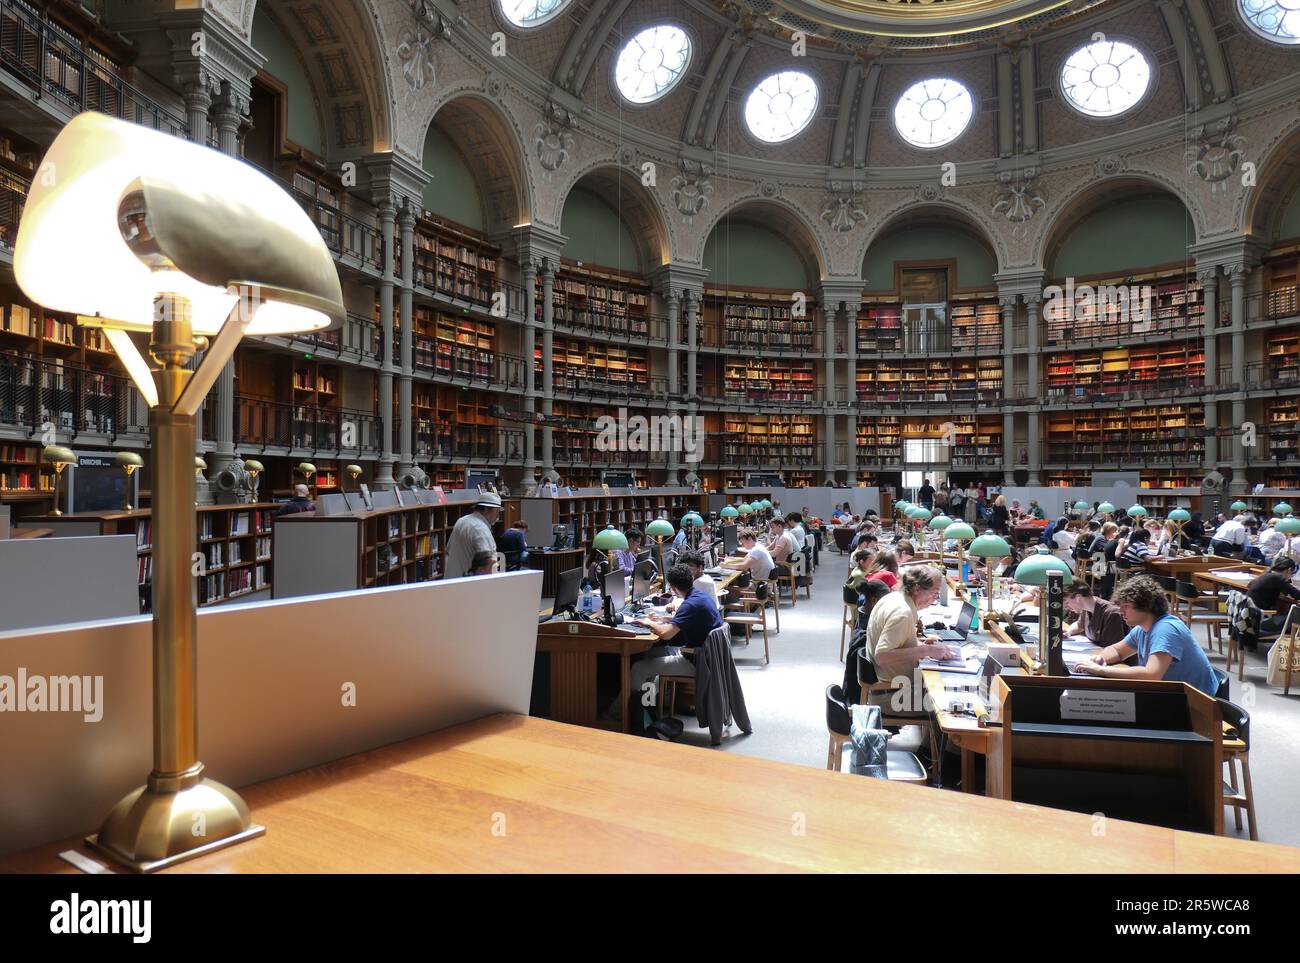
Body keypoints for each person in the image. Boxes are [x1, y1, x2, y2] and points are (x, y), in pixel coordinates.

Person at [1072, 575, 1219, 696]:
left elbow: (1151, 675)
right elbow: (1117, 651)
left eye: (1126, 606)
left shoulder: (1166, 630)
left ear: (1145, 605)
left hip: (1197, 705)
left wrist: (1102, 670)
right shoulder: (1142, 628)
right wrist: (1101, 658)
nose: (1121, 611)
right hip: (1172, 696)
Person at [629, 564, 722, 739]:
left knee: (638, 668)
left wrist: (648, 623)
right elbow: (684, 619)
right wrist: (664, 618)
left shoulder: (690, 605)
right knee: (648, 654)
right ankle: (650, 707)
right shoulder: (700, 597)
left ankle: (635, 720)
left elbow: (665, 634)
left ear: (673, 587)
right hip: (703, 655)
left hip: (697, 662)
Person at [862, 566, 957, 714]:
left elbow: (895, 643)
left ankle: (931, 737)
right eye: (934, 594)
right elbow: (882, 656)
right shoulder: (902, 613)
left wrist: (919, 644)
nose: (934, 600)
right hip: (892, 695)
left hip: (894, 687)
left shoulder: (894, 598)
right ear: (917, 589)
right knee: (954, 705)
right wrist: (926, 650)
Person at [444, 492, 502, 581]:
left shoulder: (462, 520)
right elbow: (488, 564)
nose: (498, 516)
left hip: (452, 579)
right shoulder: (481, 529)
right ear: (486, 510)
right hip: (468, 583)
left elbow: (449, 550)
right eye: (497, 511)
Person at [1063, 580, 1129, 646]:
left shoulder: (1111, 614)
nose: (1066, 607)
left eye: (1067, 603)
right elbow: (1079, 625)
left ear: (1078, 597)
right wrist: (1068, 632)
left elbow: (1112, 648)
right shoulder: (1085, 609)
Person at [1248, 556, 1300, 636]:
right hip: (1259, 621)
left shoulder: (1267, 574)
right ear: (1289, 570)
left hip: (1248, 617)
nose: (1290, 578)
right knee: (1296, 616)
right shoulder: (1278, 578)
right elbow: (1297, 595)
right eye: (1292, 574)